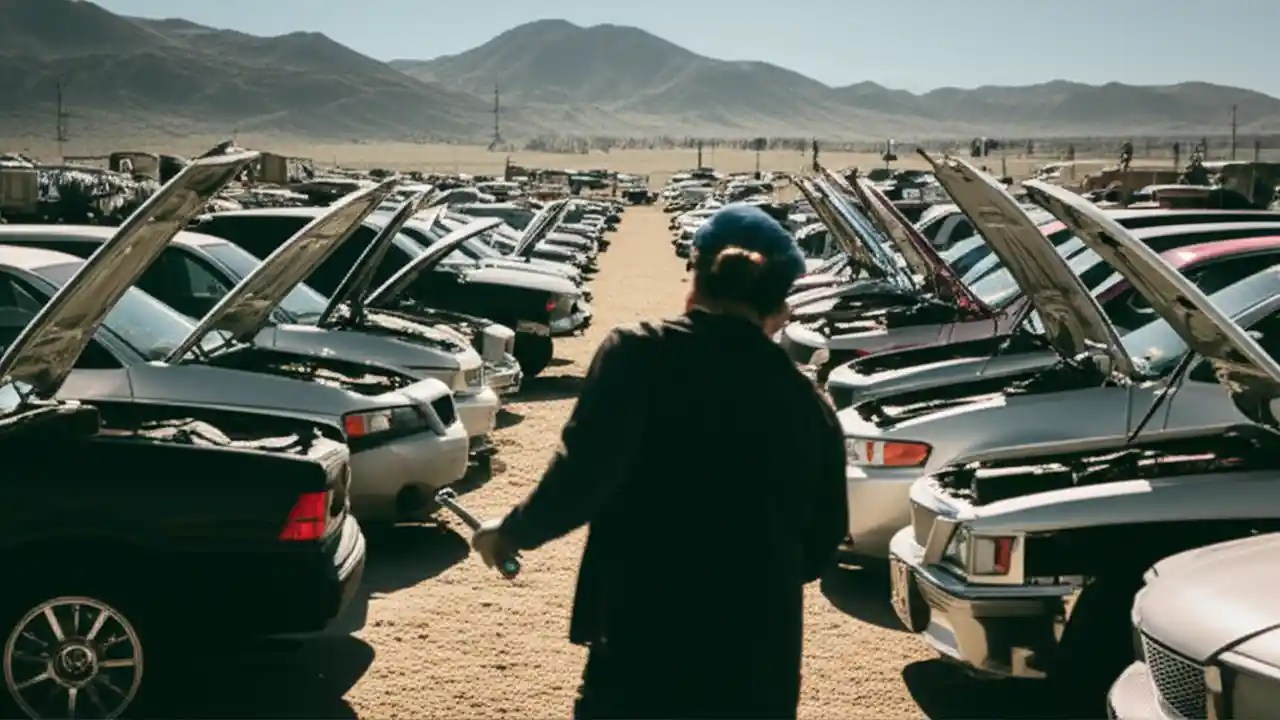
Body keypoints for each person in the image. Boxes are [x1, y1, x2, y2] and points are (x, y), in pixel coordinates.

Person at [472, 204, 848, 720]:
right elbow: (824, 538)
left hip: (641, 641)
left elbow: (583, 476)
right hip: (758, 661)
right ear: (781, 306)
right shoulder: (808, 402)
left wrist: (512, 531)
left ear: (697, 278)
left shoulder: (638, 354)